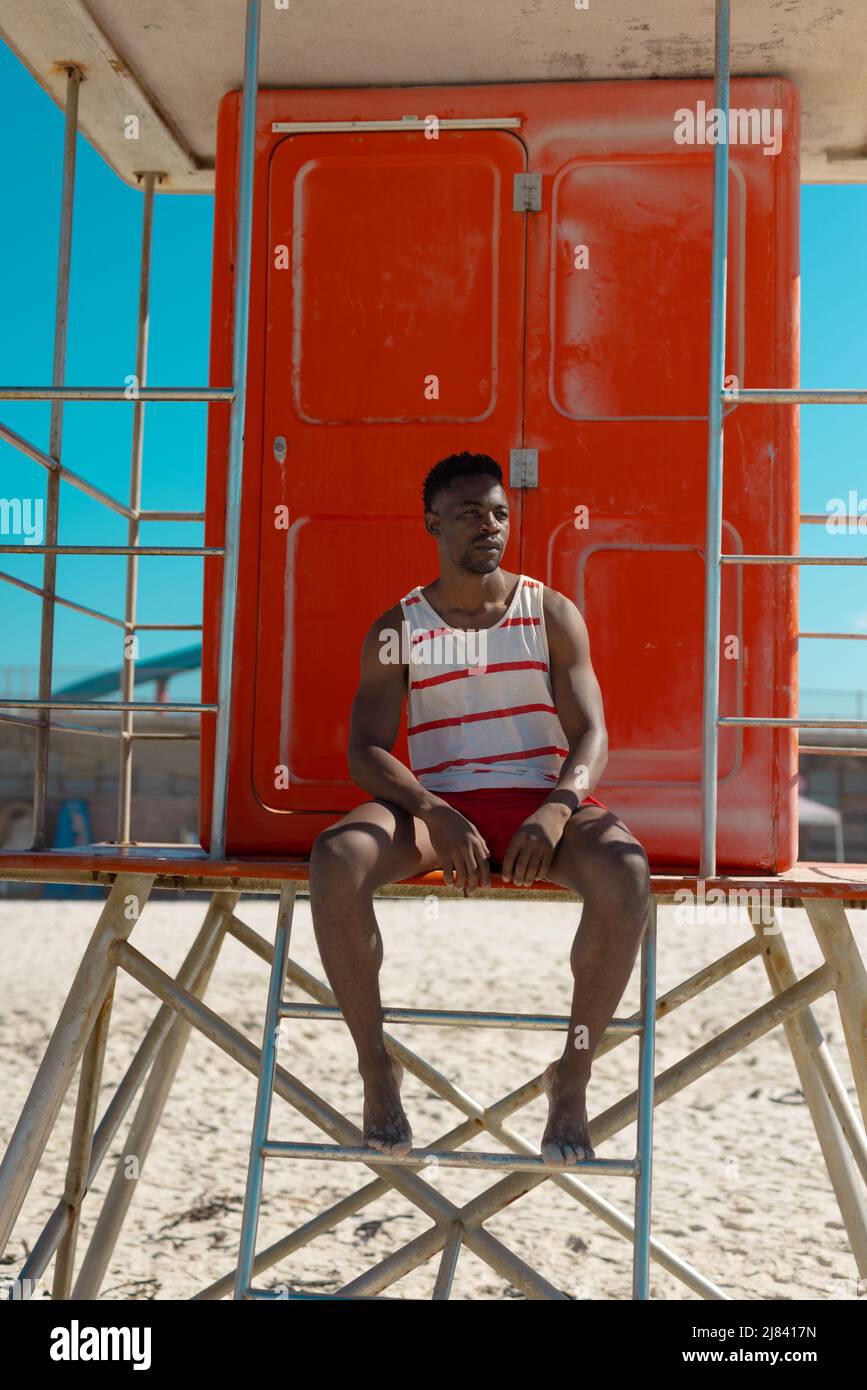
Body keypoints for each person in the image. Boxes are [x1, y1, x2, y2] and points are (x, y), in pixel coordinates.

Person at [309, 451, 652, 1167]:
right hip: (443, 813)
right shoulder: (396, 626)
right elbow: (364, 752)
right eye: (469, 513)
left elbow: (592, 734)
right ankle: (377, 1067)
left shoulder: (548, 611)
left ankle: (571, 1080)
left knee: (627, 874)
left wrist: (558, 807)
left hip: (540, 805)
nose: (488, 526)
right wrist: (431, 808)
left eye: (498, 512)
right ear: (432, 522)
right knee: (337, 856)